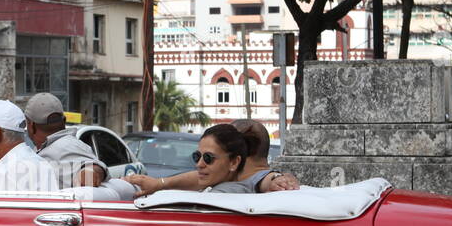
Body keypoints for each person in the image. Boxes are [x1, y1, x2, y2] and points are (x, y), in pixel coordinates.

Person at [127, 120, 299, 195]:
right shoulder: (228, 177)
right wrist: (159, 184)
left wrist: (276, 179)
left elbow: (263, 180)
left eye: (209, 158)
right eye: (198, 157)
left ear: (235, 160)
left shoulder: (243, 186)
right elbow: (199, 178)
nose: (200, 164)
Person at [22, 93, 107, 188]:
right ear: (64, 120)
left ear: (31, 125)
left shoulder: (64, 147)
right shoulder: (49, 147)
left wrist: (90, 172)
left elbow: (91, 168)